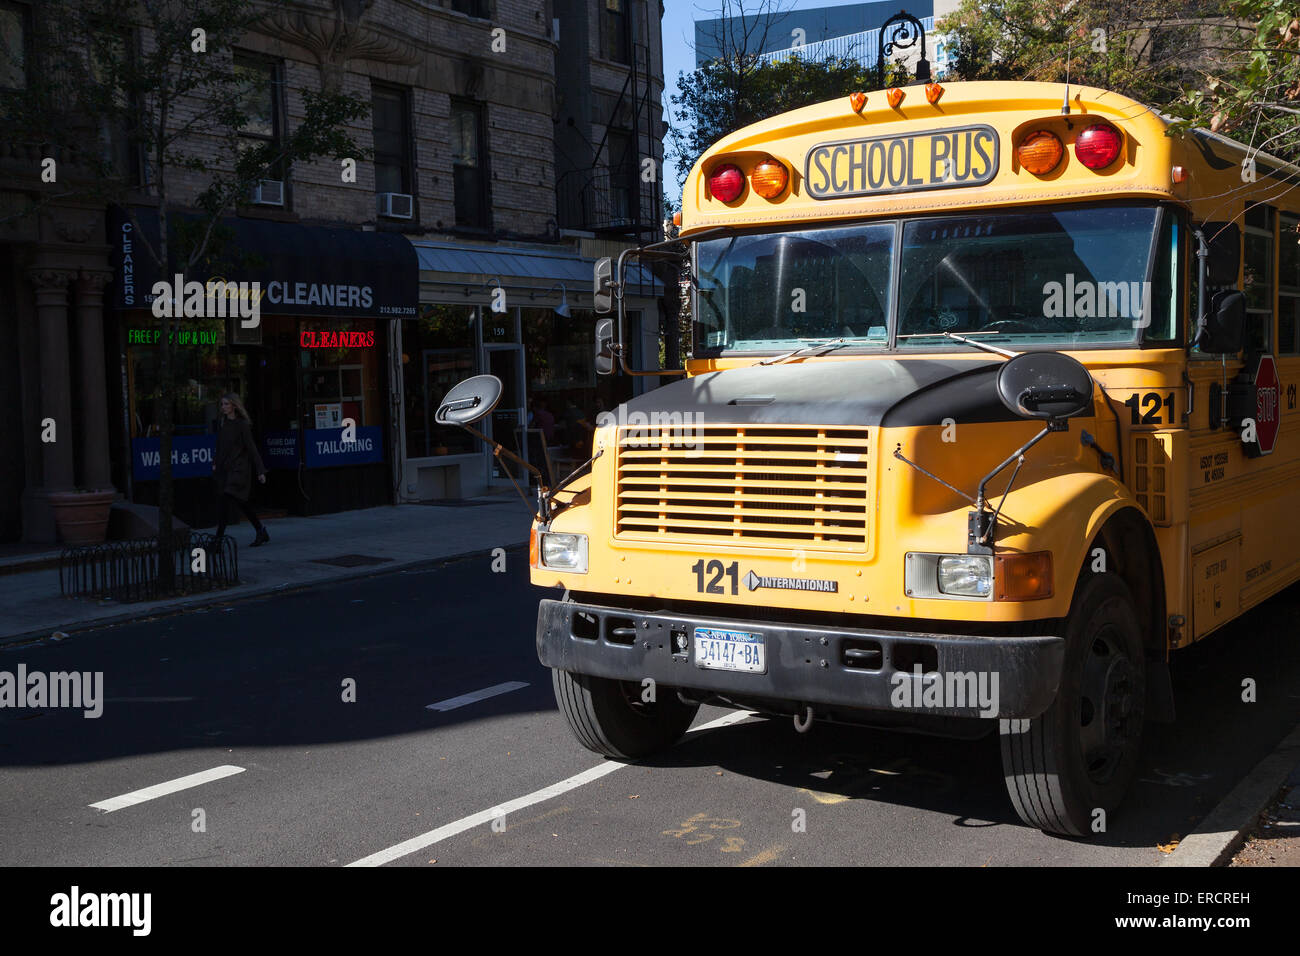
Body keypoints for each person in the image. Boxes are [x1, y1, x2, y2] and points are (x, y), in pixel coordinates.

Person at [212, 393, 269, 546]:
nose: (223, 407)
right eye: (222, 404)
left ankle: (217, 541)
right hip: (226, 469)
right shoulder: (223, 423)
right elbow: (219, 445)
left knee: (225, 500)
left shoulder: (241, 425)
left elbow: (251, 448)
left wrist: (260, 471)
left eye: (226, 404)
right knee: (241, 502)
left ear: (234, 406)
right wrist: (215, 462)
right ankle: (260, 529)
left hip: (239, 469)